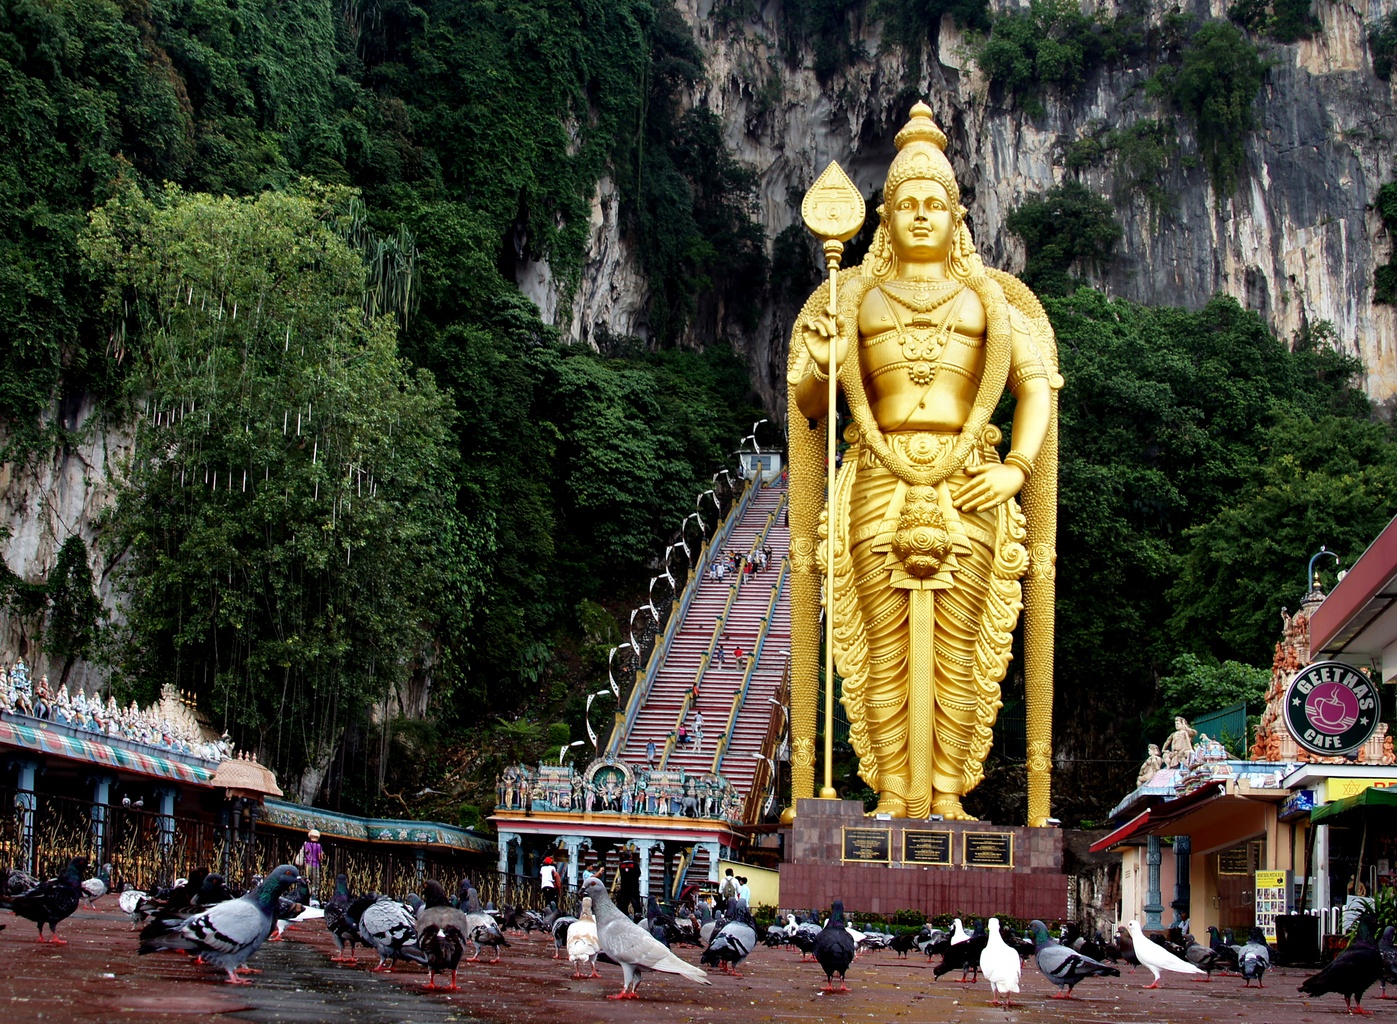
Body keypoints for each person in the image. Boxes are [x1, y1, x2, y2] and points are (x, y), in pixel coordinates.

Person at [789, 101, 1058, 821]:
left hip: (968, 481)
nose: (918, 216)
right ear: (883, 218)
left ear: (955, 218)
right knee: (879, 647)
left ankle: (945, 791)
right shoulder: (853, 297)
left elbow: (1036, 386)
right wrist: (823, 361)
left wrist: (1018, 466)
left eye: (933, 205)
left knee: (962, 648)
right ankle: (890, 790)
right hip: (876, 479)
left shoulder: (988, 303)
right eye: (905, 204)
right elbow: (812, 404)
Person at [297, 829, 324, 894]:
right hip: (315, 864)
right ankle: (313, 893)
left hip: (308, 864)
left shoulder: (307, 844)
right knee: (315, 881)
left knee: (308, 879)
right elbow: (319, 857)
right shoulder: (318, 845)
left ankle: (307, 891)